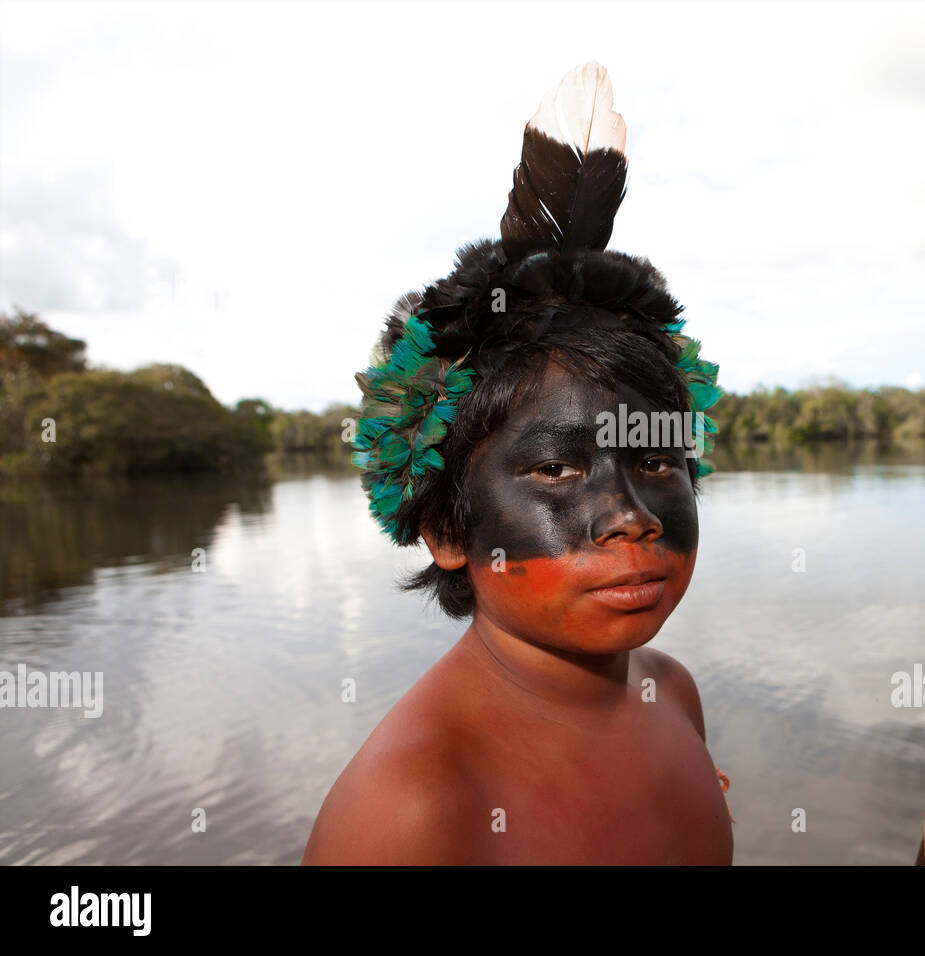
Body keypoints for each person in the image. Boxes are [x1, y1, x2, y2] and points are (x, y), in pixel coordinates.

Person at [302, 62, 732, 865]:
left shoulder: (670, 692)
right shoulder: (414, 810)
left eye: (661, 462)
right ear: (443, 528)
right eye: (557, 471)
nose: (632, 514)